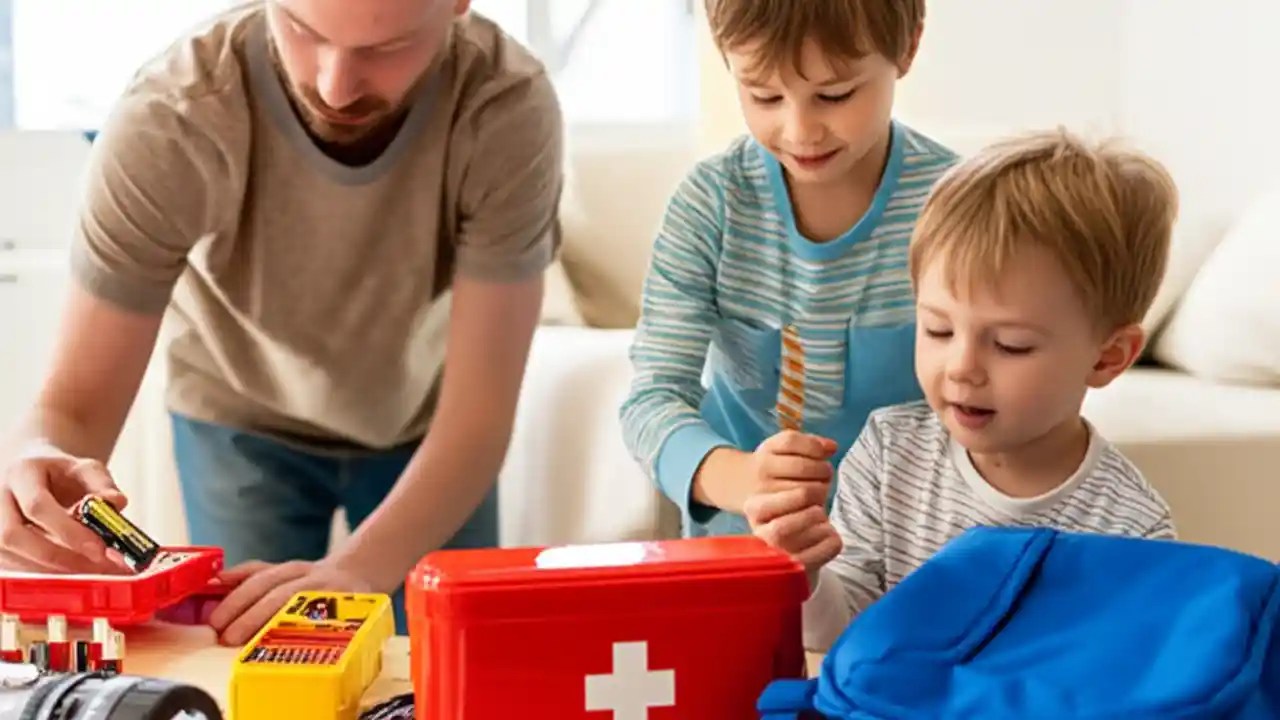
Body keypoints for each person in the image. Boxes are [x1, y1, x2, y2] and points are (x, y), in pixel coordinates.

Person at [0, 0, 562, 644]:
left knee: (443, 667)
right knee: (251, 657)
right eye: (302, 30)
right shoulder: (172, 118)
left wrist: (358, 570)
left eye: (385, 48)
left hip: (428, 429)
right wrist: (32, 459)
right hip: (238, 417)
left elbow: (479, 420)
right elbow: (71, 412)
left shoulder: (506, 108)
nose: (333, 86)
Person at [749, 128, 1181, 652]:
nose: (962, 368)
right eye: (937, 330)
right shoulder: (891, 454)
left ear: (1109, 356)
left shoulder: (1128, 526)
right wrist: (807, 574)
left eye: (1011, 344)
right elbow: (843, 633)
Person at [619, 0, 957, 539]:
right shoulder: (713, 204)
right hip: (745, 555)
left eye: (835, 95)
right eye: (764, 95)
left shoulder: (955, 207)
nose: (800, 131)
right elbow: (651, 399)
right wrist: (739, 478)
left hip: (911, 557)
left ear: (908, 46)